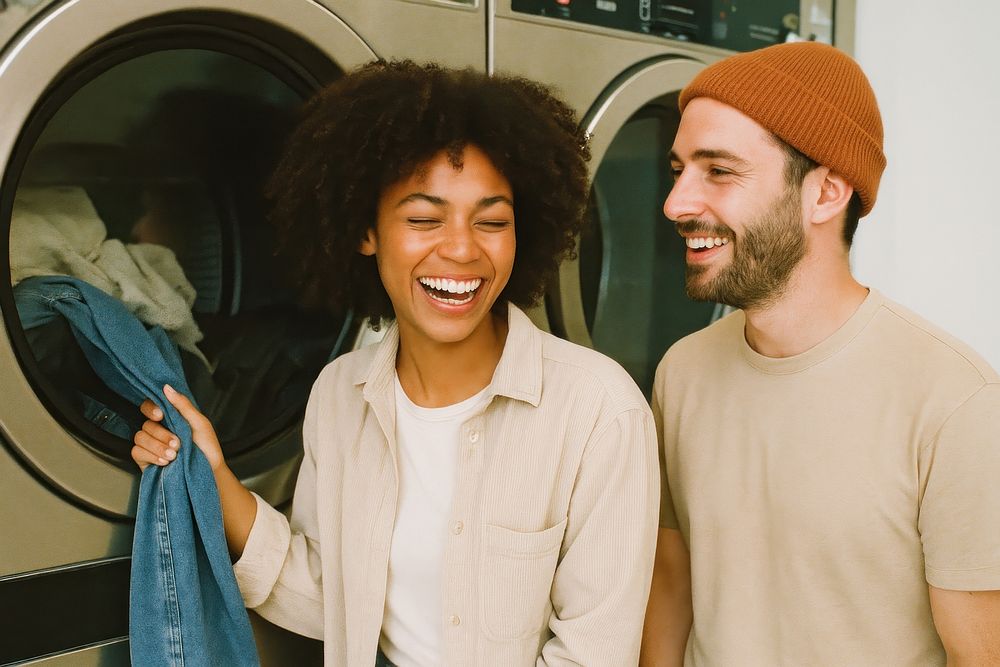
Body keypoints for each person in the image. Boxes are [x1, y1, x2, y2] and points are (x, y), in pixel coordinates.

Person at [131, 60, 660, 666]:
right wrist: (214, 474)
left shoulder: (597, 408)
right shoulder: (340, 392)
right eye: (423, 219)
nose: (462, 249)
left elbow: (595, 654)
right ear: (365, 231)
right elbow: (332, 599)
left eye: (492, 221)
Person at [640, 41, 1000, 665]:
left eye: (718, 170)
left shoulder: (956, 400)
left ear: (827, 193)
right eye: (678, 170)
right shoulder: (683, 371)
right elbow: (672, 584)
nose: (676, 204)